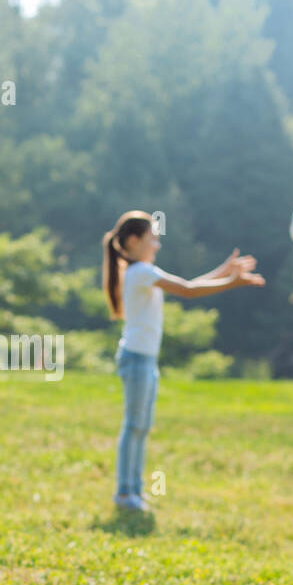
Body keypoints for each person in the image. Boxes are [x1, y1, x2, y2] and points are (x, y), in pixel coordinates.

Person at [101, 210, 265, 511]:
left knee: (141, 427)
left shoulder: (142, 272)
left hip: (144, 359)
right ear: (135, 240)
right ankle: (125, 493)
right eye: (153, 239)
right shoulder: (140, 272)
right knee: (134, 427)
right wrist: (231, 281)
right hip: (137, 359)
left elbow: (187, 284)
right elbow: (188, 291)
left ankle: (133, 490)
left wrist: (223, 271)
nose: (157, 245)